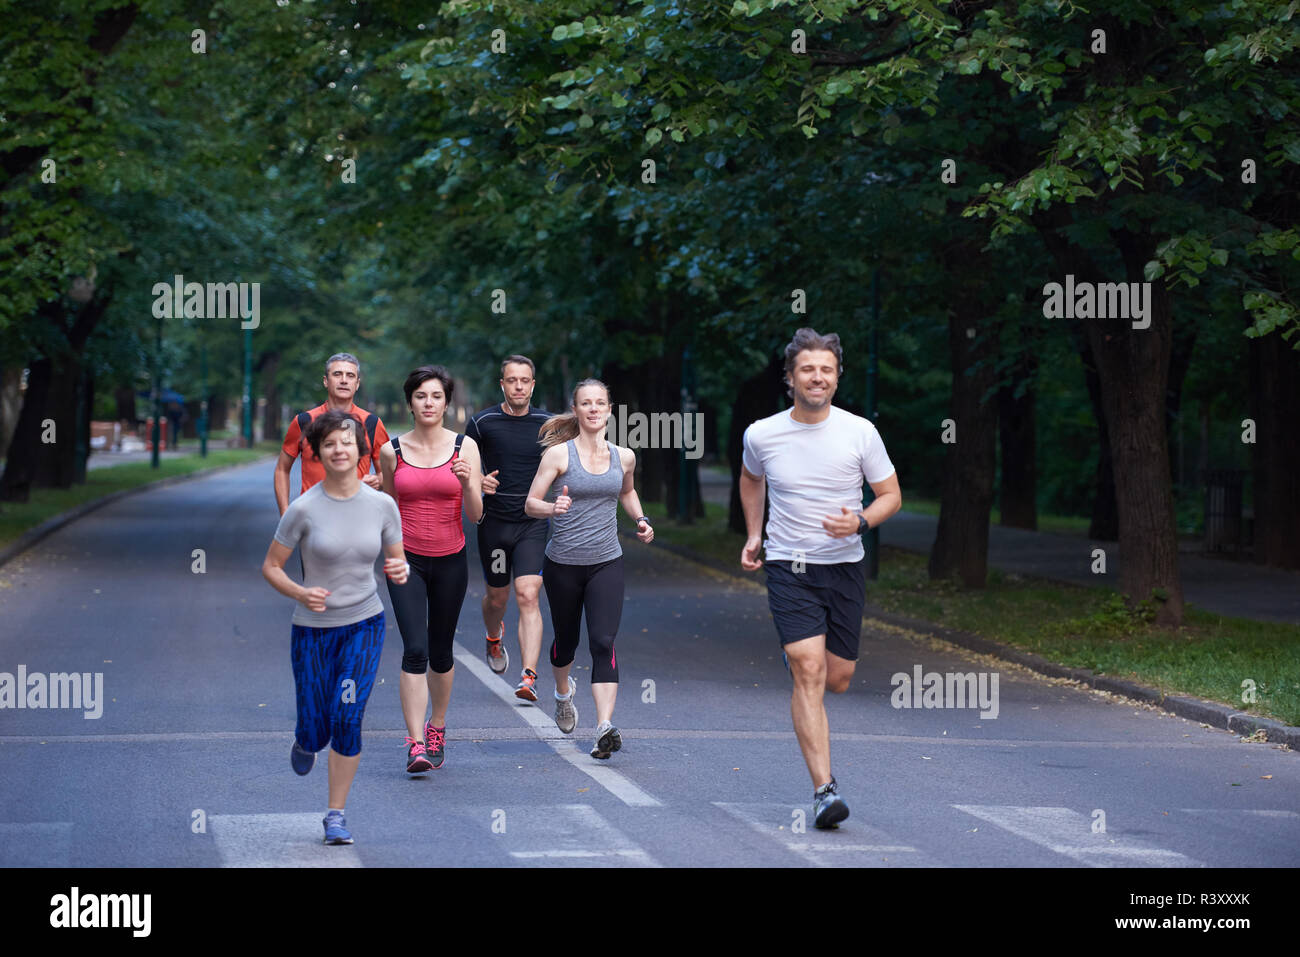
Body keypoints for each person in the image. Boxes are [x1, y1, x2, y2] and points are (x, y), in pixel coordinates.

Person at [739, 328, 902, 829]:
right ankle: (824, 791)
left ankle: (802, 658)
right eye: (807, 369)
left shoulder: (860, 432)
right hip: (790, 566)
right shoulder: (762, 434)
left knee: (838, 678)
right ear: (790, 378)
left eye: (826, 369)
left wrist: (860, 521)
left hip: (845, 566)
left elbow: (891, 495)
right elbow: (751, 479)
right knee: (809, 669)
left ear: (837, 377)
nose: (817, 377)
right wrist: (753, 534)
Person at [261, 409, 409, 845]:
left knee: (347, 716)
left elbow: (395, 558)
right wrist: (299, 592)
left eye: (347, 442)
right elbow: (271, 567)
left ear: (361, 450)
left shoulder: (383, 505)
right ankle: (305, 739)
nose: (339, 449)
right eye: (329, 444)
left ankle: (336, 814)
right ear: (318, 453)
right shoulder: (303, 509)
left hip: (363, 625)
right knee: (314, 723)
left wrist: (398, 569)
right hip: (311, 629)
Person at [525, 379, 653, 759]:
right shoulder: (558, 456)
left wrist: (641, 519)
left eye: (600, 403)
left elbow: (627, 491)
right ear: (576, 410)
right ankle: (563, 694)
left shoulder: (624, 456)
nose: (594, 409)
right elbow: (531, 503)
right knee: (566, 642)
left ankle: (603, 727)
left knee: (602, 641)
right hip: (563, 563)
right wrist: (552, 509)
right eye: (586, 403)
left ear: (610, 410)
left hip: (606, 562)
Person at [379, 366, 483, 773]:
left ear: (446, 402)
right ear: (410, 402)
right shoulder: (393, 451)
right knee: (415, 649)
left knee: (441, 652)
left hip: (451, 558)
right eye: (421, 396)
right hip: (405, 560)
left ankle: (437, 726)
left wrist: (470, 483)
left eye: (436, 396)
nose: (428, 403)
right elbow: (387, 509)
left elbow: (476, 515)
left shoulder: (465, 448)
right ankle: (415, 743)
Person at [465, 355, 551, 699]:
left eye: (524, 380)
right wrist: (478, 481)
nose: (518, 386)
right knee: (497, 598)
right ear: (502, 384)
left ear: (533, 384)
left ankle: (529, 676)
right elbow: (463, 467)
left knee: (528, 594)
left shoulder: (548, 425)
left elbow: (566, 462)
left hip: (532, 523)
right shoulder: (481, 422)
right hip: (495, 525)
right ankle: (493, 636)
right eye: (511, 380)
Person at [274, 352, 389, 516]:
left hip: (358, 516)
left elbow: (388, 474)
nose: (344, 380)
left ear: (357, 384)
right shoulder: (304, 421)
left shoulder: (372, 423)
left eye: (350, 376)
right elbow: (281, 469)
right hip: (312, 518)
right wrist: (285, 513)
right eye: (337, 374)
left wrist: (378, 481)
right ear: (326, 381)